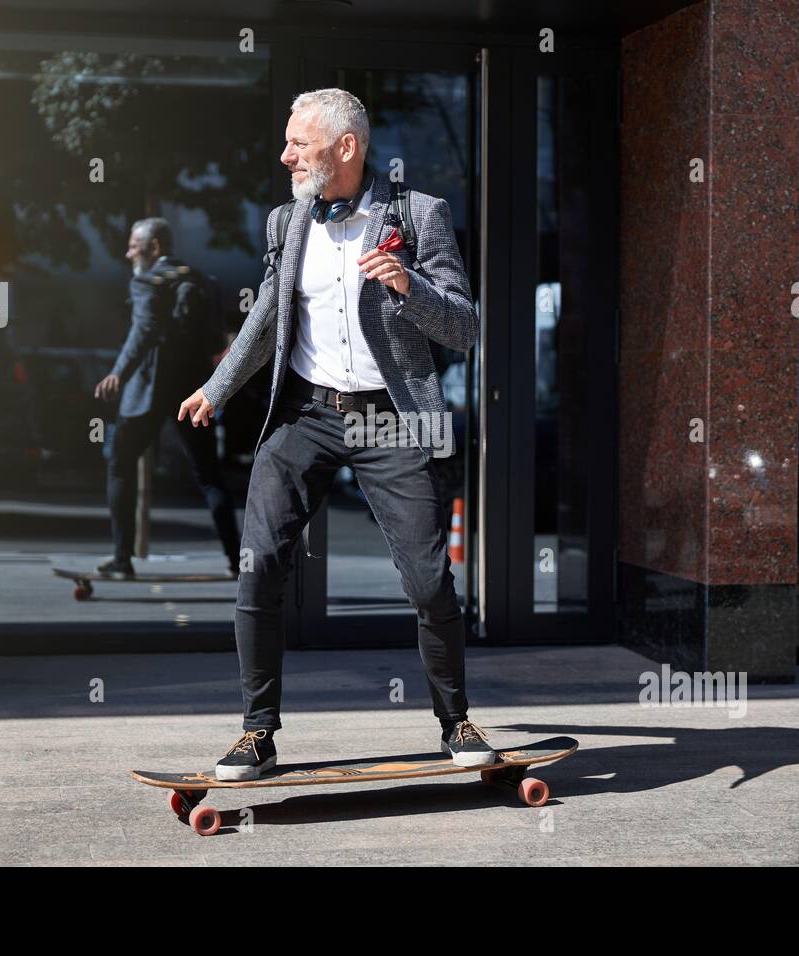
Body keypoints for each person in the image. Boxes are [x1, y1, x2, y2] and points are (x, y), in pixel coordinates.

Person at [177, 88, 494, 780]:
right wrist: (218, 387)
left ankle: (457, 721)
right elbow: (266, 317)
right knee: (258, 564)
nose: (286, 154)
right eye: (289, 142)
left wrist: (411, 286)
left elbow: (465, 329)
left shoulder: (419, 215)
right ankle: (257, 732)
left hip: (392, 415)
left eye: (300, 143)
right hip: (305, 415)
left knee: (428, 581)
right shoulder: (286, 222)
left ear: (345, 146)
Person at [95, 218, 241, 578]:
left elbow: (142, 332)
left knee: (119, 463)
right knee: (209, 475)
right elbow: (214, 343)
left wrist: (118, 373)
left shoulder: (147, 282)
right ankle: (238, 562)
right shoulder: (204, 281)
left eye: (133, 244)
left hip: (148, 389)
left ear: (154, 247)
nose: (128, 252)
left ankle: (121, 559)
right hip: (193, 391)